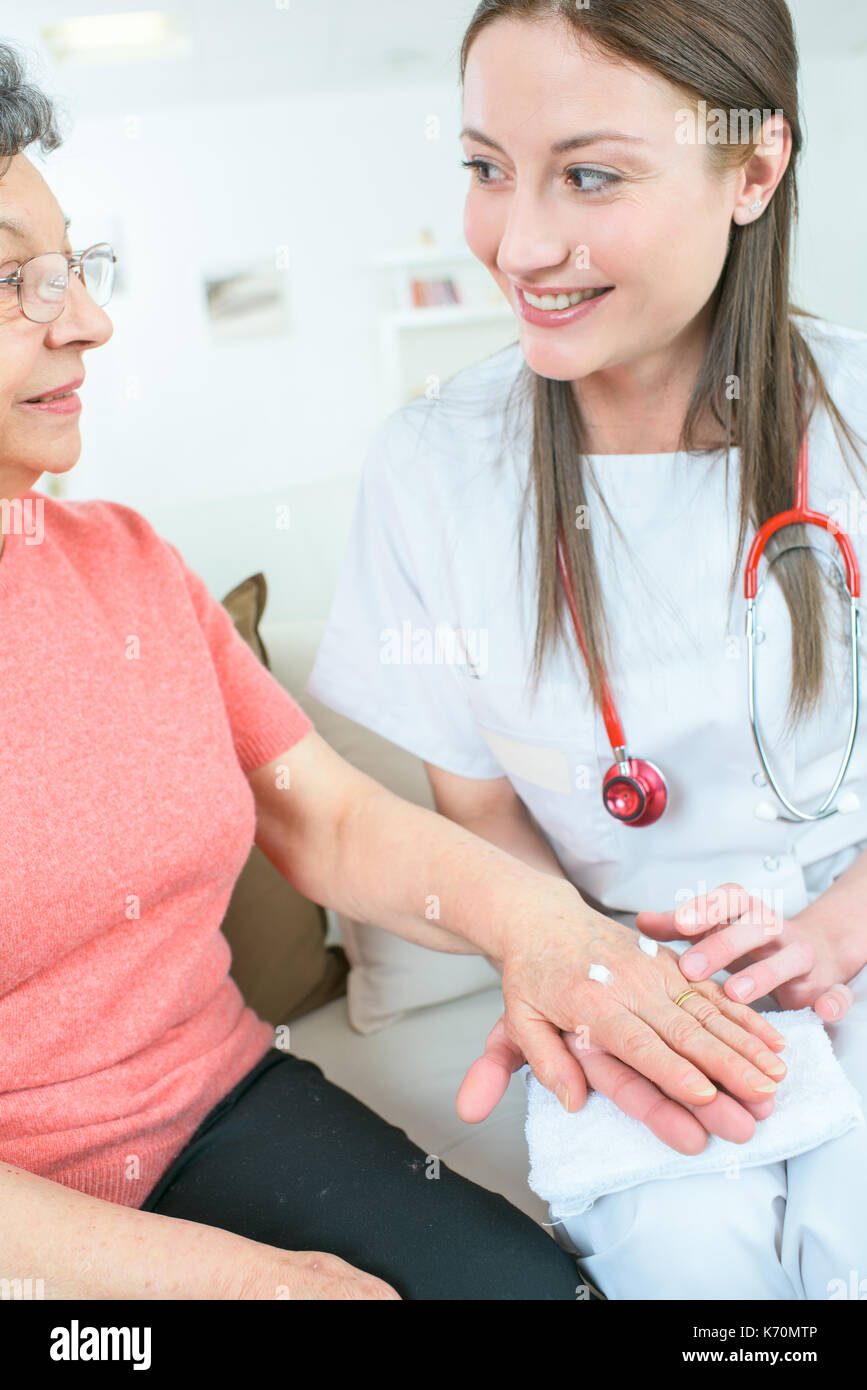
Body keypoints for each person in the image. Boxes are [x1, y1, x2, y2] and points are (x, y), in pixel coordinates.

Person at [0, 41, 786, 1303]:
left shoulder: (128, 562)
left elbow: (331, 816)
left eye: (72, 269)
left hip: (227, 1109)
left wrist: (542, 929)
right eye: (9, 280)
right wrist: (262, 1285)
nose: (86, 317)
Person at [305, 0, 867, 1298]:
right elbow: (480, 804)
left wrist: (837, 925)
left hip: (852, 918)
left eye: (590, 173)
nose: (521, 240)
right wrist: (570, 959)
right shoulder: (434, 465)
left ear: (753, 166)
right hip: (610, 959)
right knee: (694, 1272)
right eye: (485, 168)